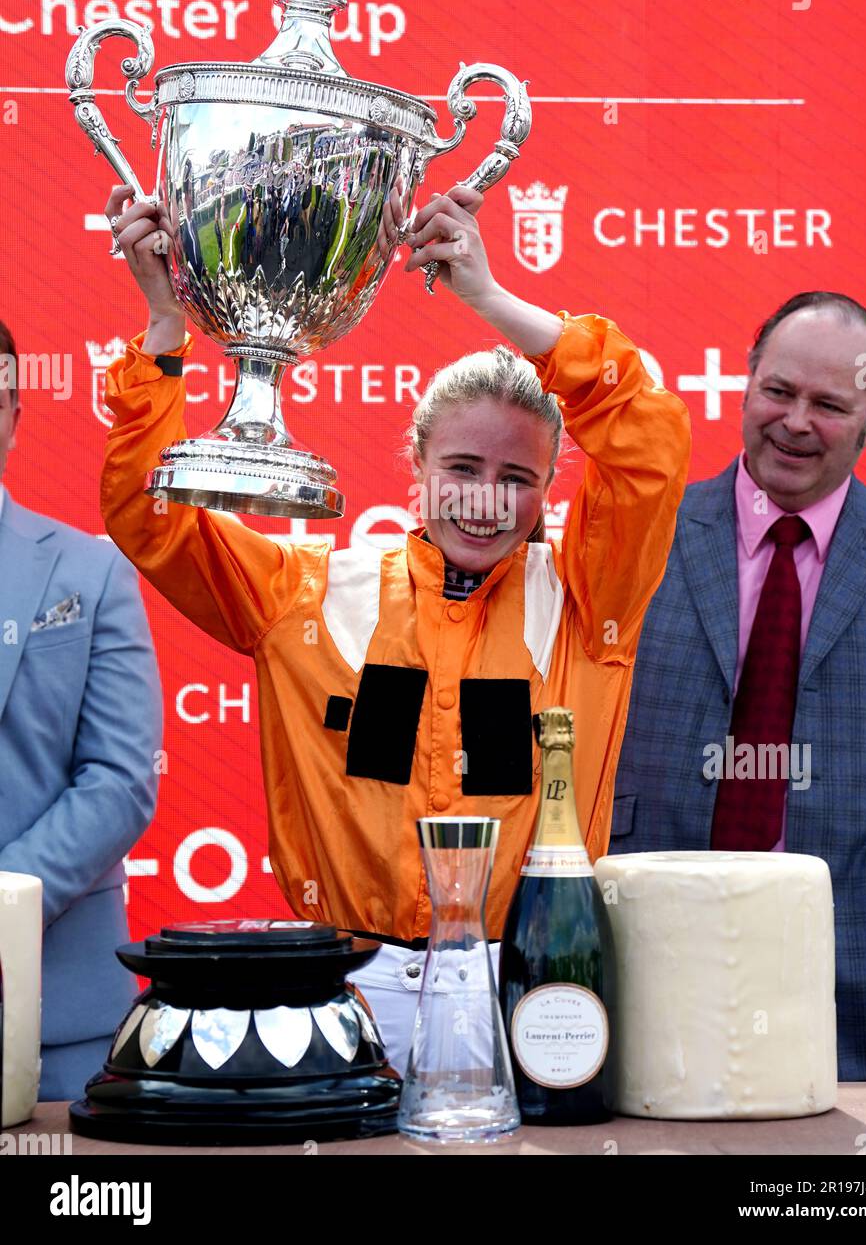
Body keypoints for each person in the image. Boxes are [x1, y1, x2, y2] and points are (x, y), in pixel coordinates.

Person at [100, 178, 691, 1074]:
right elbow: (151, 517)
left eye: (518, 478)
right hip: (342, 989)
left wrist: (489, 299)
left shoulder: (585, 604)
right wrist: (164, 323)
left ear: (548, 488)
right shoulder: (303, 594)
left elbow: (649, 439)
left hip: (529, 988)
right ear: (414, 465)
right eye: (461, 465)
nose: (487, 502)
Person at [610, 291, 866, 1090]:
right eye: (778, 391)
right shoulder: (637, 532)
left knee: (824, 1209)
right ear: (744, 385)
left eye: (828, 404)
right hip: (644, 953)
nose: (794, 421)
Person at [0, 318, 162, 1099]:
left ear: (16, 417)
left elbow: (121, 779)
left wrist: (3, 902)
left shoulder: (88, 571)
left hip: (56, 1013)